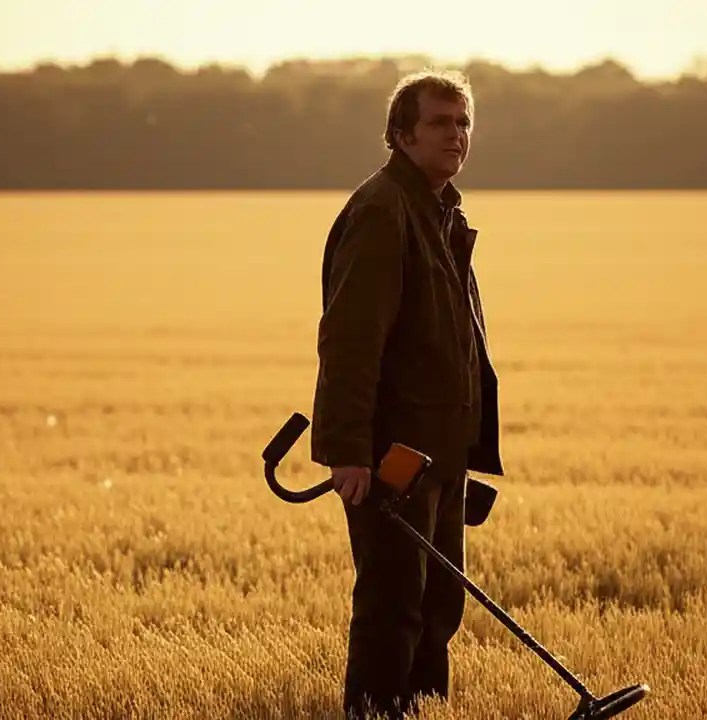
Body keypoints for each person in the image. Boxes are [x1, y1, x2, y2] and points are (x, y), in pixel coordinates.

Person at [310, 69, 504, 719]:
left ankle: (422, 713)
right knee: (394, 604)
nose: (456, 135)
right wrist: (347, 452)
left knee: (436, 605)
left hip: (439, 452)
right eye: (439, 123)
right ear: (401, 134)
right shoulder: (382, 211)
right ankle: (376, 713)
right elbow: (350, 341)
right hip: (394, 453)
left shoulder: (440, 210)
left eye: (463, 122)